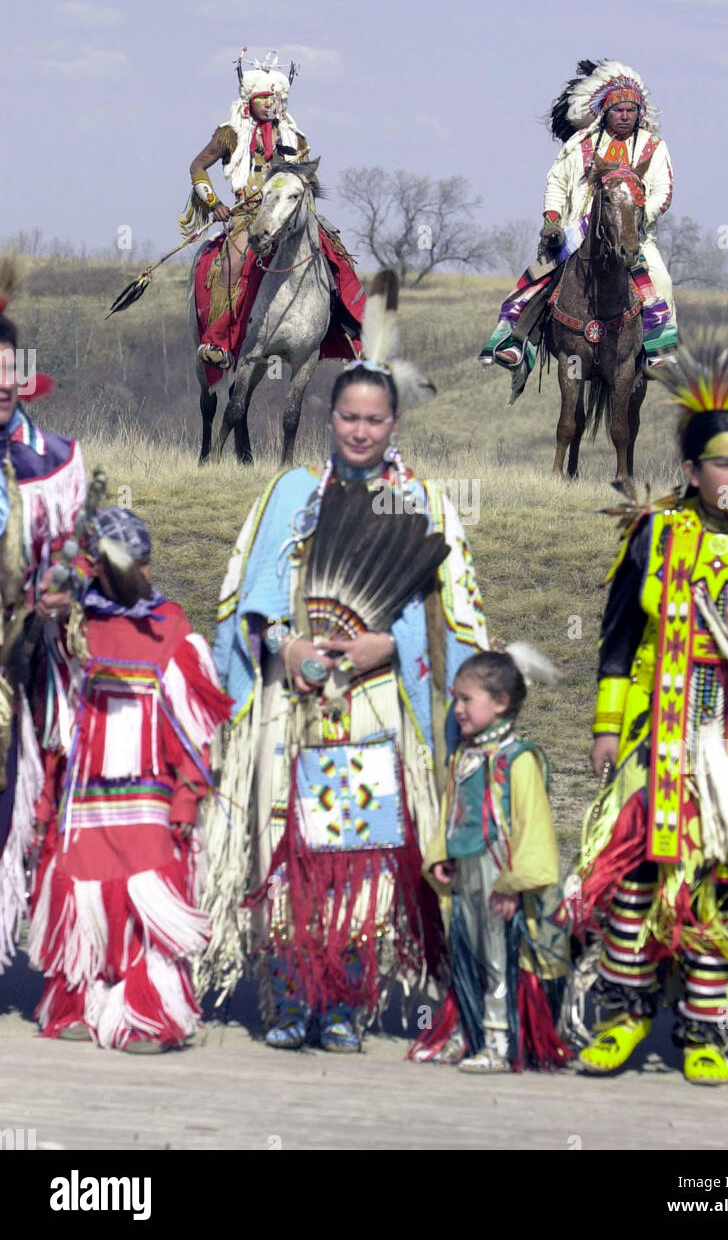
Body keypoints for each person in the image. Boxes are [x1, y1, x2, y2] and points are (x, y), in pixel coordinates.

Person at [203, 332, 489, 1053]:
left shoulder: (419, 503)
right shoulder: (292, 493)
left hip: (373, 706)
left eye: (375, 420)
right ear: (329, 417)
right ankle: (290, 996)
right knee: (287, 843)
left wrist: (386, 644)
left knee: (358, 853)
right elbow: (249, 600)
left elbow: (451, 616)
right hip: (290, 707)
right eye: (348, 417)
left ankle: (344, 1000)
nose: (360, 431)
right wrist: (286, 647)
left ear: (394, 424)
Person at [567, 330, 728, 1085]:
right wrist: (608, 730)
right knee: (638, 873)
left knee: (719, 881)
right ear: (690, 468)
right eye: (724, 463)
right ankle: (624, 1014)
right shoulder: (652, 533)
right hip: (660, 736)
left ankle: (705, 1029)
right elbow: (617, 641)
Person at [27, 508, 231, 1052]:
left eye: (139, 562)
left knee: (149, 900)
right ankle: (75, 1000)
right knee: (82, 892)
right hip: (86, 792)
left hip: (149, 794)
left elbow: (193, 728)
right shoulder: (72, 626)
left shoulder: (170, 627)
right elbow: (54, 717)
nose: (132, 572)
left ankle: (147, 1011)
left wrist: (187, 798)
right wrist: (47, 798)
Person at [411, 646, 572, 1072]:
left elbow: (534, 827)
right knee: (466, 952)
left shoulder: (519, 761)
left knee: (499, 956)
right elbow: (452, 815)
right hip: (466, 873)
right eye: (456, 698)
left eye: (467, 699)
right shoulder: (463, 758)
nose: (457, 709)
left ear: (501, 703)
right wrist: (441, 855)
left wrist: (515, 886)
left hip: (499, 873)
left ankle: (499, 1043)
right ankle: (467, 1032)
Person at [0, 258, 89, 973]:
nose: (2, 383)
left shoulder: (53, 464)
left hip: (23, 667)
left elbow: (80, 556)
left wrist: (65, 588)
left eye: (10, 370)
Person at [480, 59, 676, 385]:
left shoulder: (654, 147)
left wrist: (636, 217)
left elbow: (663, 192)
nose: (625, 116)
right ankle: (516, 341)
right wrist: (553, 221)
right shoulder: (581, 142)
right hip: (578, 231)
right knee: (540, 274)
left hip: (633, 234)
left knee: (661, 280)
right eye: (618, 110)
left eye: (631, 110)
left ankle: (659, 353)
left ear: (640, 112)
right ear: (605, 111)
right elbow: (556, 182)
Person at [182, 50, 364, 375]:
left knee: (334, 250)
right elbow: (198, 166)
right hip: (247, 212)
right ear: (250, 100)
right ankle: (220, 339)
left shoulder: (295, 135)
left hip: (290, 211)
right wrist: (213, 203)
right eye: (264, 98)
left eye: (275, 98)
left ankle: (349, 324)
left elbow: (310, 180)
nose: (270, 104)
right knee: (235, 262)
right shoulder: (230, 134)